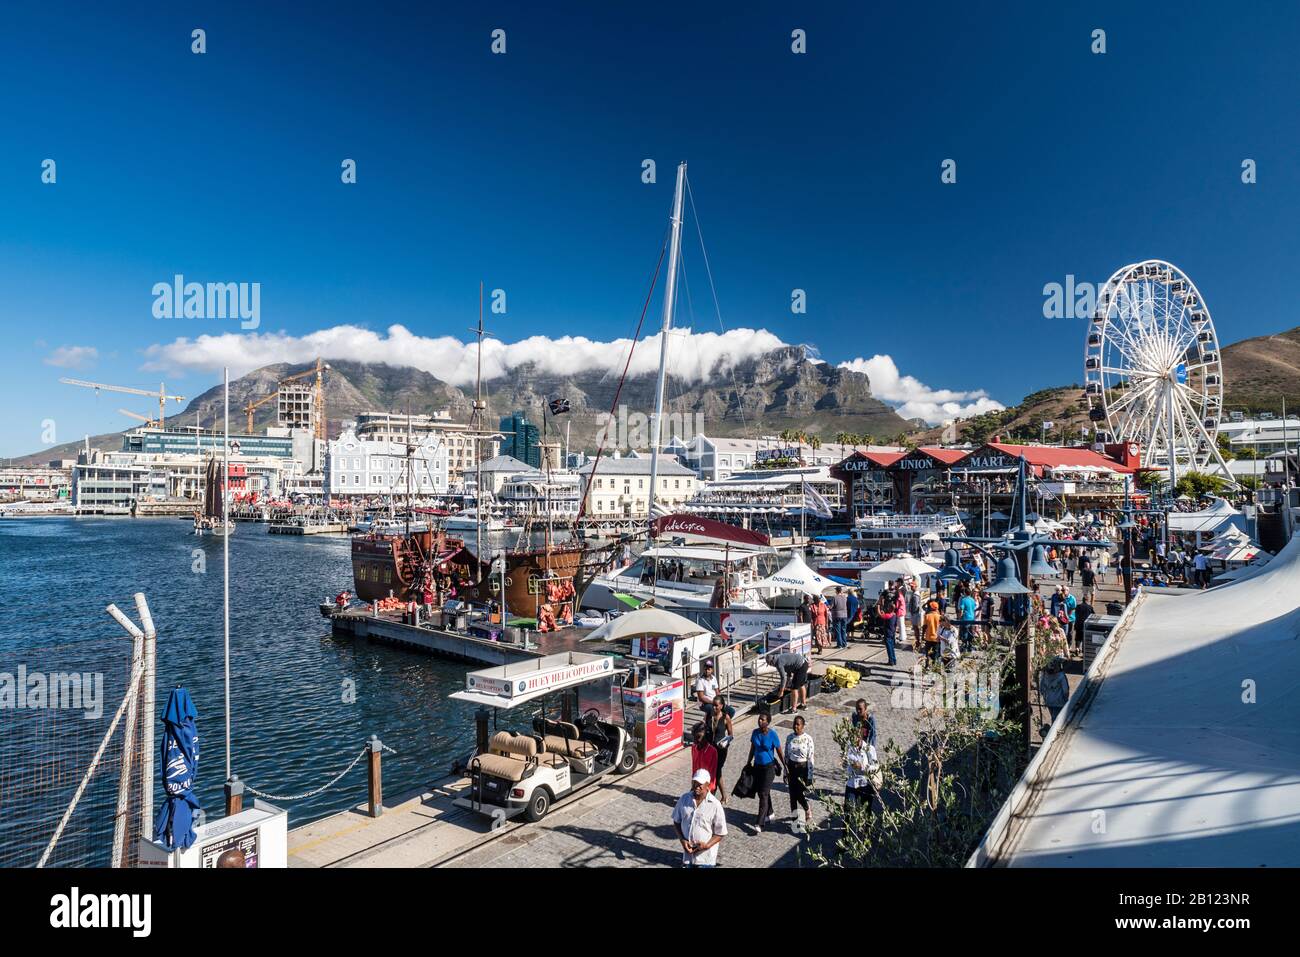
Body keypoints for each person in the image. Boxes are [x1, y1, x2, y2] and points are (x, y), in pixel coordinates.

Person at [672, 769, 727, 867]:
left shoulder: (715, 805)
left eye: (700, 784)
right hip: (688, 858)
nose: (696, 786)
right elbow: (676, 821)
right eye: (694, 783)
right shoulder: (684, 799)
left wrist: (707, 845)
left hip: (705, 859)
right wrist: (682, 840)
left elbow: (720, 833)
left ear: (708, 785)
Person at [746, 711, 784, 832]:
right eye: (759, 719)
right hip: (757, 767)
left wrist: (785, 766)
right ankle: (770, 812)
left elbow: (779, 751)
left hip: (769, 768)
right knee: (762, 791)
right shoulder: (755, 733)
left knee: (763, 794)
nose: (760, 721)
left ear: (768, 722)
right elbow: (752, 749)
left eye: (762, 719)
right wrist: (748, 762)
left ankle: (760, 823)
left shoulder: (773, 735)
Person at [784, 715, 816, 827]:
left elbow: (811, 757)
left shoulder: (808, 739)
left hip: (803, 769)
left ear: (803, 726)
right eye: (794, 724)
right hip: (792, 768)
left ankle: (806, 808)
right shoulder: (789, 738)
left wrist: (810, 776)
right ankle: (794, 821)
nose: (795, 726)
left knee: (798, 793)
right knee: (792, 795)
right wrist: (785, 772)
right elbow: (786, 756)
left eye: (798, 724)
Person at [843, 720, 879, 815]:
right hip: (851, 783)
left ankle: (867, 829)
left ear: (861, 736)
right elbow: (845, 765)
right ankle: (846, 829)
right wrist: (845, 764)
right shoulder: (849, 748)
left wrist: (862, 767)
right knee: (848, 810)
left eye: (856, 736)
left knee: (866, 811)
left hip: (865, 784)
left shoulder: (870, 749)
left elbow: (875, 768)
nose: (853, 738)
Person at [704, 694, 735, 803]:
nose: (714, 708)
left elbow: (731, 735)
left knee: (716, 771)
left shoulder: (726, 717)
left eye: (716, 706)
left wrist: (725, 743)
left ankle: (711, 795)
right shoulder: (708, 715)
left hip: (721, 750)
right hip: (709, 748)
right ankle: (724, 796)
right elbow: (704, 729)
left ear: (721, 706)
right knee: (715, 772)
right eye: (713, 705)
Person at [1039, 657, 1070, 726]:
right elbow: (1065, 691)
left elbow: (1041, 688)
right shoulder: (1061, 676)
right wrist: (1066, 700)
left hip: (1049, 700)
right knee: (1056, 720)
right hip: (1059, 702)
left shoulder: (1044, 674)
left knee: (1053, 717)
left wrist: (1045, 696)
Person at [690, 724, 719, 794]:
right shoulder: (694, 748)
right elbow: (694, 767)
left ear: (705, 736)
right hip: (697, 783)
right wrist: (694, 783)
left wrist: (708, 788)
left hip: (707, 786)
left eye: (698, 737)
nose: (694, 740)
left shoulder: (712, 751)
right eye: (693, 737)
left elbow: (712, 772)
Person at [877, 584, 898, 665]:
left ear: (889, 608)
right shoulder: (894, 615)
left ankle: (891, 661)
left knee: (889, 647)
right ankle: (894, 660)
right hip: (892, 632)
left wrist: (878, 606)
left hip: (888, 633)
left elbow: (879, 614)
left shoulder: (888, 615)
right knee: (892, 647)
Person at [957, 587, 978, 653]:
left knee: (965, 633)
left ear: (965, 593)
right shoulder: (972, 600)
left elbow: (961, 609)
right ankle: (970, 647)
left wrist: (959, 617)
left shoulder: (963, 600)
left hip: (965, 618)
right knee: (971, 633)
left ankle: (965, 647)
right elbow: (974, 608)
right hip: (972, 618)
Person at [922, 599, 941, 664]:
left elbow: (924, 627)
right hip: (937, 638)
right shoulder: (940, 617)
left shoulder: (927, 616)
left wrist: (922, 636)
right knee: (936, 653)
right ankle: (934, 665)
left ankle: (927, 665)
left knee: (927, 653)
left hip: (928, 638)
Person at [906, 579, 924, 652]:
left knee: (915, 628)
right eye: (910, 586)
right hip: (915, 613)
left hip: (915, 614)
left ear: (915, 587)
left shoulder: (915, 595)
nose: (911, 587)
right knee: (916, 628)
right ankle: (918, 641)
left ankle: (918, 641)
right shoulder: (915, 594)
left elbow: (916, 606)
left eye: (912, 586)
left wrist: (912, 612)